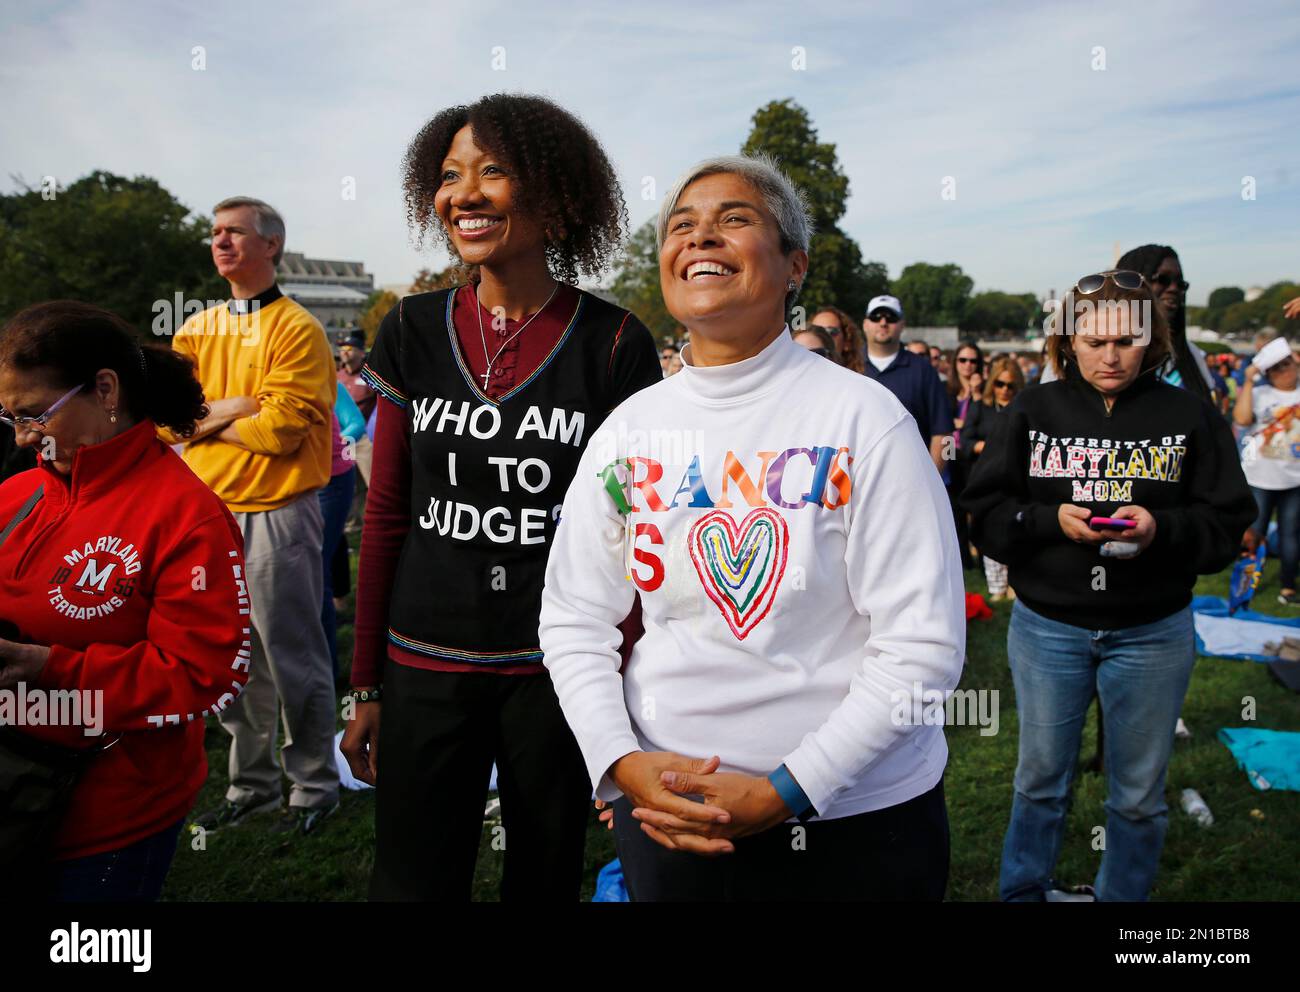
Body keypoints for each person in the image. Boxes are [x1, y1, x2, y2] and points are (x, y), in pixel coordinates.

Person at [538, 154, 965, 902]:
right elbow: (575, 618)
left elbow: (922, 647)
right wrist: (619, 763)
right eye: (681, 225)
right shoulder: (629, 430)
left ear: (794, 265)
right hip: (672, 815)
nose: (701, 237)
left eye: (734, 219)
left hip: (858, 825)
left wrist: (788, 791)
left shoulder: (866, 422)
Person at [340, 93, 660, 901]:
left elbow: (632, 537)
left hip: (555, 671)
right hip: (422, 664)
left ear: (556, 199)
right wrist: (368, 682)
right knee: (412, 883)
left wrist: (616, 702)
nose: (464, 194)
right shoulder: (410, 329)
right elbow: (385, 517)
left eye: (494, 172)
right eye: (449, 175)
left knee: (544, 879)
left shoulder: (615, 342)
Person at [962, 269, 1255, 901]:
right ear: (1069, 341)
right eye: (1095, 342)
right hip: (1049, 629)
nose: (1110, 355)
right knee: (1040, 780)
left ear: (1151, 341)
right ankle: (1023, 895)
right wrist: (1046, 520)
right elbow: (985, 509)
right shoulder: (1034, 408)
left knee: (1140, 795)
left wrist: (1162, 530)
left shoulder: (1190, 417)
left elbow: (1229, 524)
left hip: (1153, 632)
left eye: (1126, 340)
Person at [0, 301, 249, 900]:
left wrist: (47, 666)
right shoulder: (17, 493)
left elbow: (204, 675)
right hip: (15, 789)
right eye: (8, 416)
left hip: (113, 816)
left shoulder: (186, 515)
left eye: (35, 415)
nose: (21, 436)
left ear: (106, 389)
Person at [171, 195, 341, 836]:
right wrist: (237, 407)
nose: (221, 242)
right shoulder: (196, 328)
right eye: (215, 233)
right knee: (229, 657)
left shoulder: (297, 328)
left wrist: (204, 420)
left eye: (235, 232)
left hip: (277, 512)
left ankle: (314, 784)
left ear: (271, 245)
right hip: (207, 513)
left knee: (292, 653)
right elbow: (163, 420)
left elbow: (282, 433)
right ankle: (253, 784)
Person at [1234, 337, 1300, 605]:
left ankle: (1287, 587)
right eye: (1278, 367)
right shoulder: (1260, 393)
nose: (1286, 371)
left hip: (1295, 479)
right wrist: (1248, 381)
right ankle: (1245, 586)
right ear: (1269, 373)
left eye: (1289, 364)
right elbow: (1241, 419)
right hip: (1260, 477)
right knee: (1252, 534)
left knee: (1291, 534)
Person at [861, 295, 954, 475]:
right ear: (865, 324)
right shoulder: (848, 365)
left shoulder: (923, 370)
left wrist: (931, 479)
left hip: (909, 479)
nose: (883, 322)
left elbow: (943, 434)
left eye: (891, 317)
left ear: (902, 325)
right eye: (876, 317)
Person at [958, 356, 1024, 599]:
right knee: (989, 527)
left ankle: (1013, 583)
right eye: (1000, 384)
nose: (1005, 390)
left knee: (1014, 528)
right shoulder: (980, 407)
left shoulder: (1023, 407)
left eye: (1010, 385)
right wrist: (991, 447)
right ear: (992, 383)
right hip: (984, 478)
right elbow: (964, 441)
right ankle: (996, 586)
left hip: (1016, 480)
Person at [322, 381, 366, 674]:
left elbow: (355, 424)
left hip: (330, 477)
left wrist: (331, 446)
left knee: (317, 567)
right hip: (290, 481)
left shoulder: (330, 384)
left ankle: (329, 665)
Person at [946, 342, 986, 569]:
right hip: (951, 453)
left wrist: (977, 393)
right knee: (955, 509)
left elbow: (983, 420)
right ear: (955, 363)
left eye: (973, 361)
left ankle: (983, 558)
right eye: (963, 360)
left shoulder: (983, 390)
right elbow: (943, 419)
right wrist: (958, 423)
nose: (968, 365)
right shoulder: (947, 389)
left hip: (974, 457)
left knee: (976, 507)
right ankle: (962, 560)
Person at [810, 305, 864, 373]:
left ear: (847, 342)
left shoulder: (860, 382)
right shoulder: (796, 379)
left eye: (831, 331)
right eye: (816, 331)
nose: (823, 336)